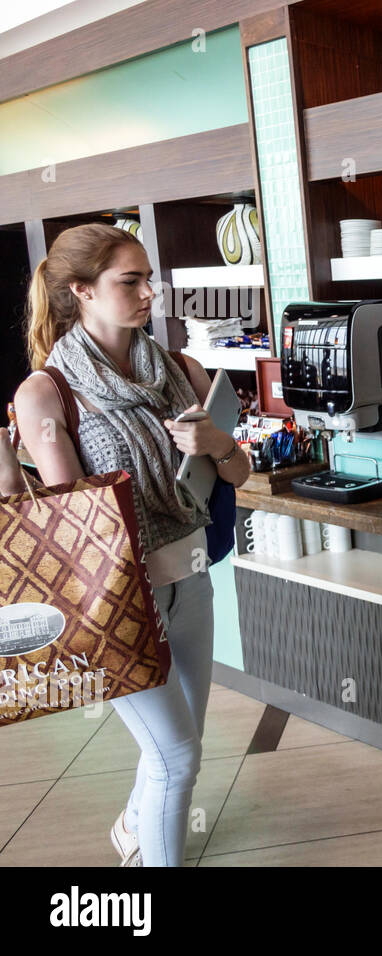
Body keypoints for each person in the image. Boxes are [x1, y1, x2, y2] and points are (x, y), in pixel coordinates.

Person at [3, 223, 250, 866]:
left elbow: (240, 474)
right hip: (120, 605)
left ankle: (135, 827)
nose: (149, 294)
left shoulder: (182, 368)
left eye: (149, 278)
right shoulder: (46, 393)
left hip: (193, 579)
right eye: (129, 281)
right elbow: (73, 525)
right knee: (177, 755)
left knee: (180, 737)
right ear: (81, 291)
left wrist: (215, 445)